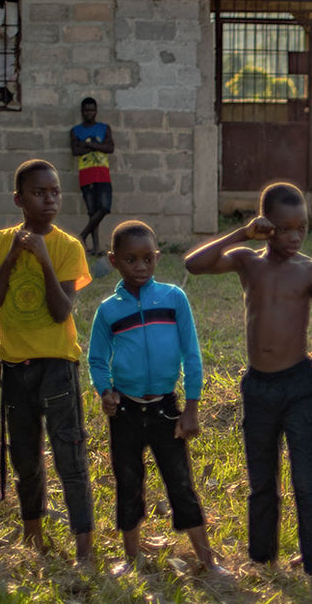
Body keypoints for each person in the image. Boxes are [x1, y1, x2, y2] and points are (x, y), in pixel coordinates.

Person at [184, 182, 312, 597]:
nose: (294, 238)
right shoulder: (247, 261)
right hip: (258, 387)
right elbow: (194, 264)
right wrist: (241, 233)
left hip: (298, 385)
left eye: (302, 229)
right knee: (262, 481)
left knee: (307, 481)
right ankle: (262, 560)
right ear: (265, 225)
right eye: (284, 229)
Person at [0, 159, 94, 561]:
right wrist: (12, 257)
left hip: (58, 366)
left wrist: (43, 258)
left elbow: (62, 311)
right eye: (39, 193)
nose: (49, 200)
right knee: (25, 457)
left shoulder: (67, 246)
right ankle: (33, 538)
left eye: (55, 192)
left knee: (70, 454)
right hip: (15, 368)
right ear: (19, 199)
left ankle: (84, 545)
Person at [88, 220, 219, 576]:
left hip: (166, 410)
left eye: (148, 258)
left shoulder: (174, 299)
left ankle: (208, 560)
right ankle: (130, 560)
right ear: (114, 261)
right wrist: (105, 391)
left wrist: (190, 409)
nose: (141, 267)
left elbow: (192, 354)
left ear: (158, 257)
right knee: (128, 482)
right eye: (131, 260)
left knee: (181, 483)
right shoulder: (108, 310)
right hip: (126, 412)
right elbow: (97, 359)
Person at [69, 97, 115, 256]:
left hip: (102, 173)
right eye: (86, 110)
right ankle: (96, 248)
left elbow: (110, 148)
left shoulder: (104, 128)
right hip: (86, 174)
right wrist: (97, 146)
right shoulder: (75, 131)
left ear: (96, 111)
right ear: (82, 112)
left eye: (92, 110)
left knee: (104, 207)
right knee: (92, 211)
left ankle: (82, 236)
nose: (89, 113)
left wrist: (87, 144)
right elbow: (75, 151)